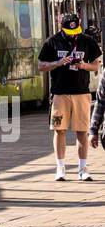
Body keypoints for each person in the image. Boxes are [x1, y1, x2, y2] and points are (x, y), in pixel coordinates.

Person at [38, 12, 101, 182]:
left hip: (81, 93)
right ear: (62, 28)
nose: (74, 34)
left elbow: (97, 64)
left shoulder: (87, 41)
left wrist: (84, 65)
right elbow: (40, 65)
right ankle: (60, 168)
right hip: (60, 94)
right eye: (69, 31)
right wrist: (57, 63)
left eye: (76, 31)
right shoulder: (52, 41)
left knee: (82, 131)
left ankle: (83, 168)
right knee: (59, 130)